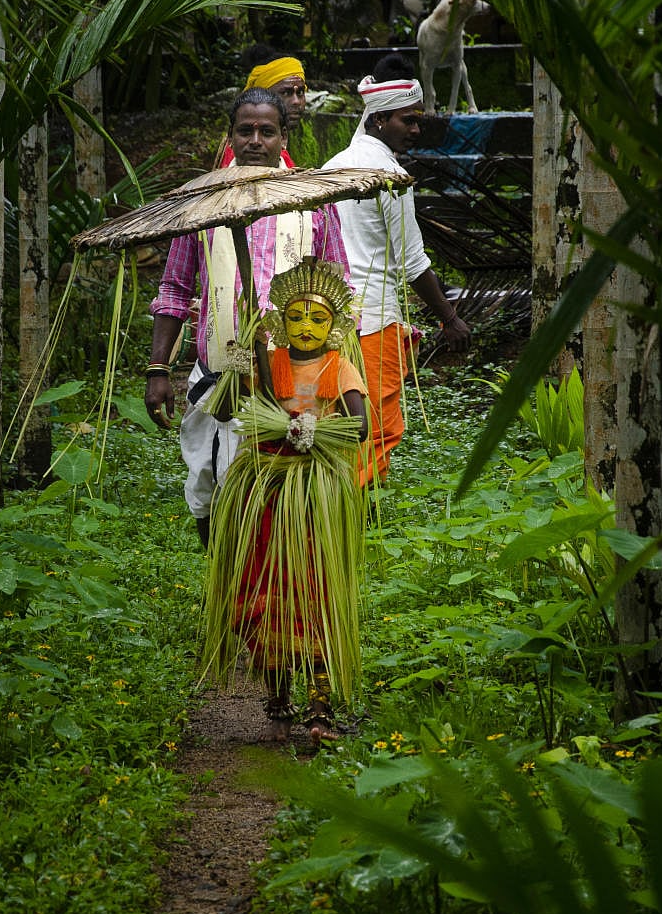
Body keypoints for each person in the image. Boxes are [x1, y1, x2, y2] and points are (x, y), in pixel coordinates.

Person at [145, 88, 350, 547]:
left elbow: (339, 289)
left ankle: (272, 581)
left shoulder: (313, 202)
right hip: (217, 377)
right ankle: (223, 572)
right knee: (208, 486)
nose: (255, 141)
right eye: (246, 130)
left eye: (267, 131)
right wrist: (158, 369)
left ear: (283, 137)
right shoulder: (200, 204)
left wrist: (332, 374)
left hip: (290, 380)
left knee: (282, 495)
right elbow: (174, 290)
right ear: (231, 136)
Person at [200, 256, 368, 745]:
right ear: (280, 322)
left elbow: (359, 428)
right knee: (266, 590)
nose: (307, 327)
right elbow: (226, 412)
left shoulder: (340, 367)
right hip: (265, 493)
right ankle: (277, 698)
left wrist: (313, 431)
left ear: (335, 326)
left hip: (314, 497)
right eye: (296, 317)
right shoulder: (266, 364)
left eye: (318, 319)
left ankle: (320, 707)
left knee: (315, 593)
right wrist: (235, 369)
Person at [322, 63, 471, 485]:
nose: (416, 130)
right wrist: (449, 318)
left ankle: (336, 503)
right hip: (374, 320)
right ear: (379, 120)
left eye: (418, 120)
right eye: (408, 120)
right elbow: (412, 262)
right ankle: (361, 510)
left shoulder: (333, 165)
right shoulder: (390, 175)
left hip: (329, 320)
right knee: (377, 428)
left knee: (339, 421)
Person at [216, 46, 307, 168]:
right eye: (286, 93)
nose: (296, 102)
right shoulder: (243, 156)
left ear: (283, 137)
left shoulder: (278, 154)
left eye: (300, 92)